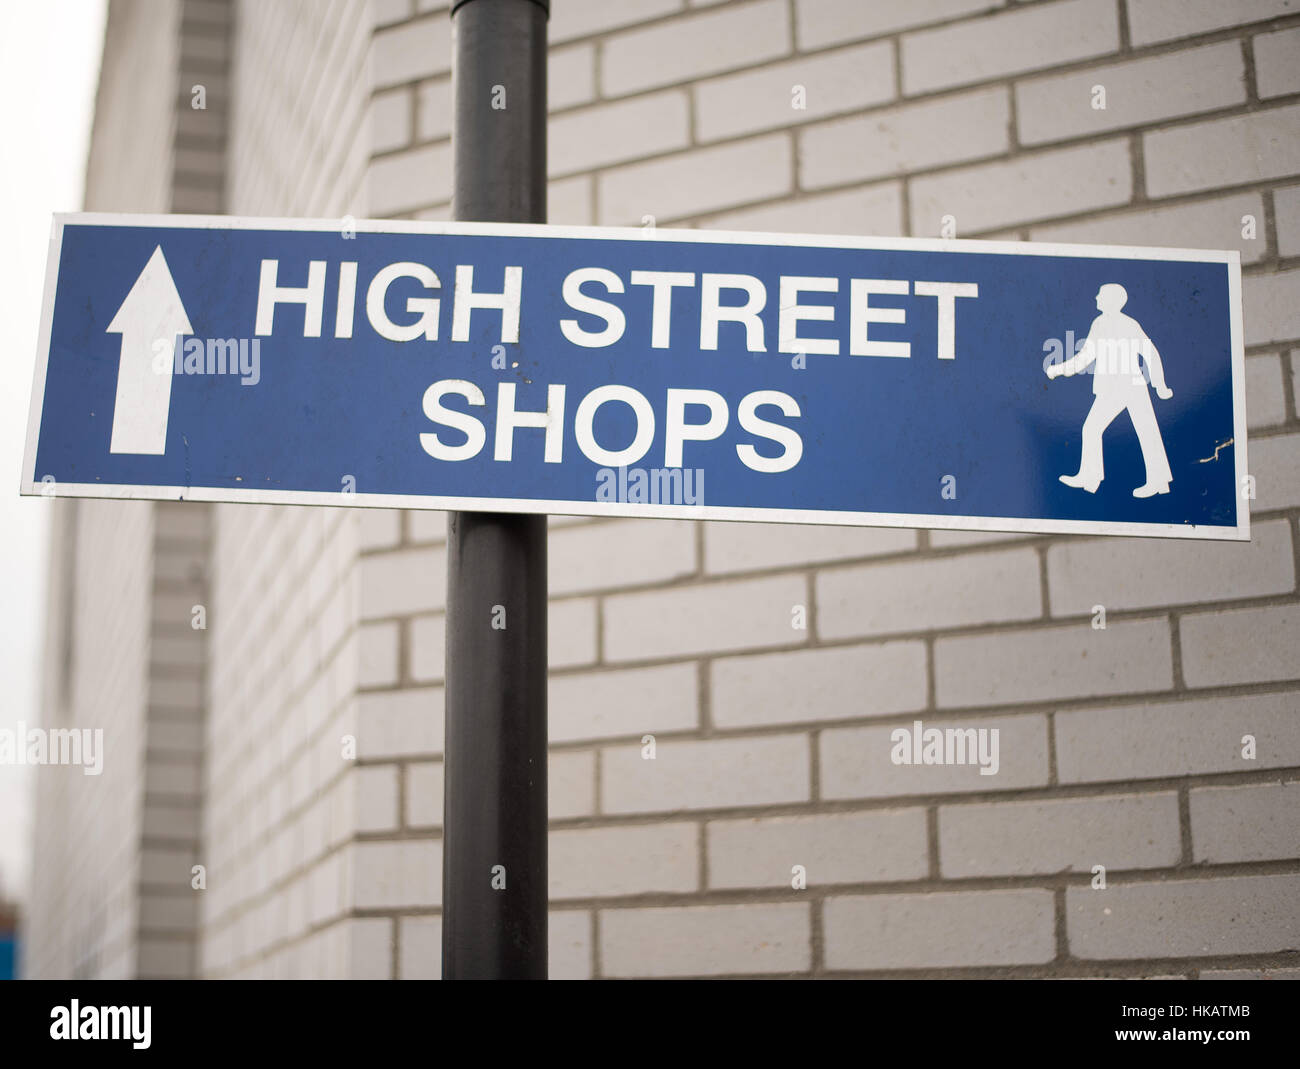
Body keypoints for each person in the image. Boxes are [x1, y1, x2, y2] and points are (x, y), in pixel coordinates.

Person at [1046, 283, 1174, 498]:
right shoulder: (1101, 323)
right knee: (1134, 431)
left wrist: (1160, 385)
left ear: (1111, 300)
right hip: (1124, 386)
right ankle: (1092, 477)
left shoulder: (1124, 324)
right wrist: (1059, 370)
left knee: (1104, 429)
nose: (1096, 297)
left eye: (1100, 295)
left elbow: (1149, 352)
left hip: (1124, 386)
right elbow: (1085, 357)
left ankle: (1094, 478)